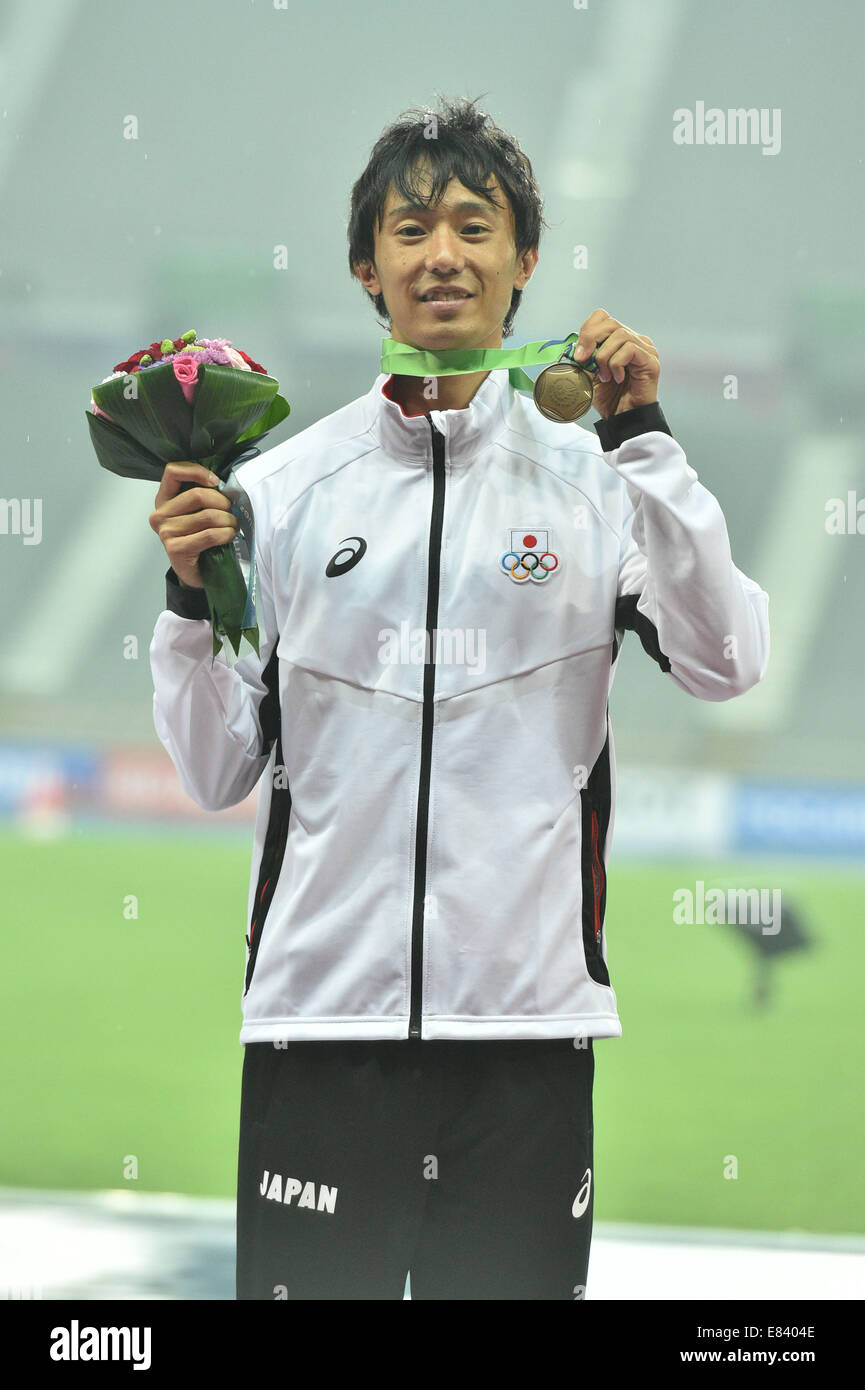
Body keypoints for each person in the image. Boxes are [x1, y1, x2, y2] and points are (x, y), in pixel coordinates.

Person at [148, 97, 770, 1300]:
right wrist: (187, 600)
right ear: (365, 268)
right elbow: (213, 769)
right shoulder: (280, 492)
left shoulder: (598, 484)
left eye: (475, 226)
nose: (443, 253)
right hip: (319, 1036)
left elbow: (727, 659)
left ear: (523, 259)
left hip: (525, 1043)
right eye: (410, 227)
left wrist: (645, 439)